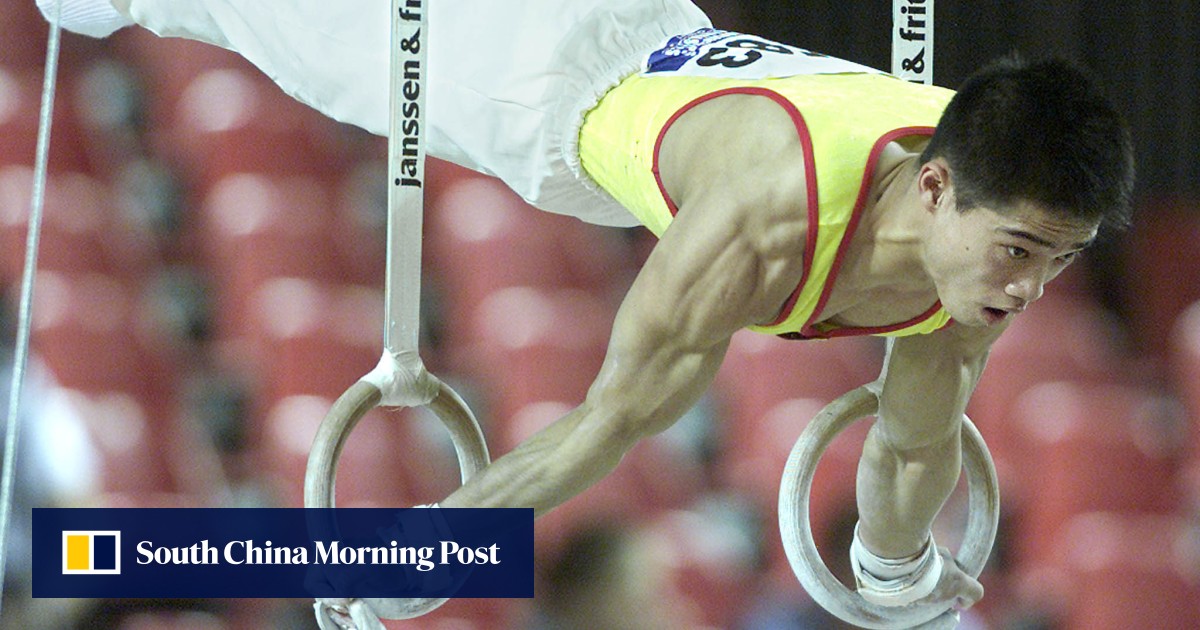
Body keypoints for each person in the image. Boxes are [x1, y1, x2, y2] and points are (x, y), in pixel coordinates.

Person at [38, 0, 1136, 624]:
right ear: (934, 187)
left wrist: (900, 582)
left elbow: (916, 440)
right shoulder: (762, 225)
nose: (1031, 289)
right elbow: (606, 426)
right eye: (1021, 253)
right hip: (532, 87)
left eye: (1064, 260)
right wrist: (415, 560)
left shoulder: (985, 231)